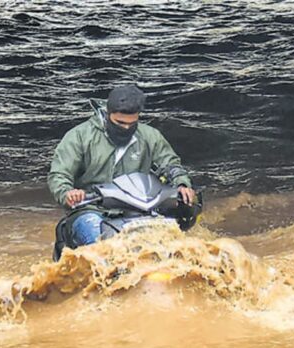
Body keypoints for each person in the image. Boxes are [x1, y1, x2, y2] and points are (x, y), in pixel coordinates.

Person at [48, 85, 197, 248]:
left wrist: (182, 184)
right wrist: (68, 193)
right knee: (101, 247)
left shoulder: (150, 136)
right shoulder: (79, 137)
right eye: (120, 123)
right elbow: (59, 175)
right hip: (92, 210)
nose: (126, 128)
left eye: (131, 124)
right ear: (108, 113)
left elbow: (170, 164)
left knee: (174, 246)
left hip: (141, 209)